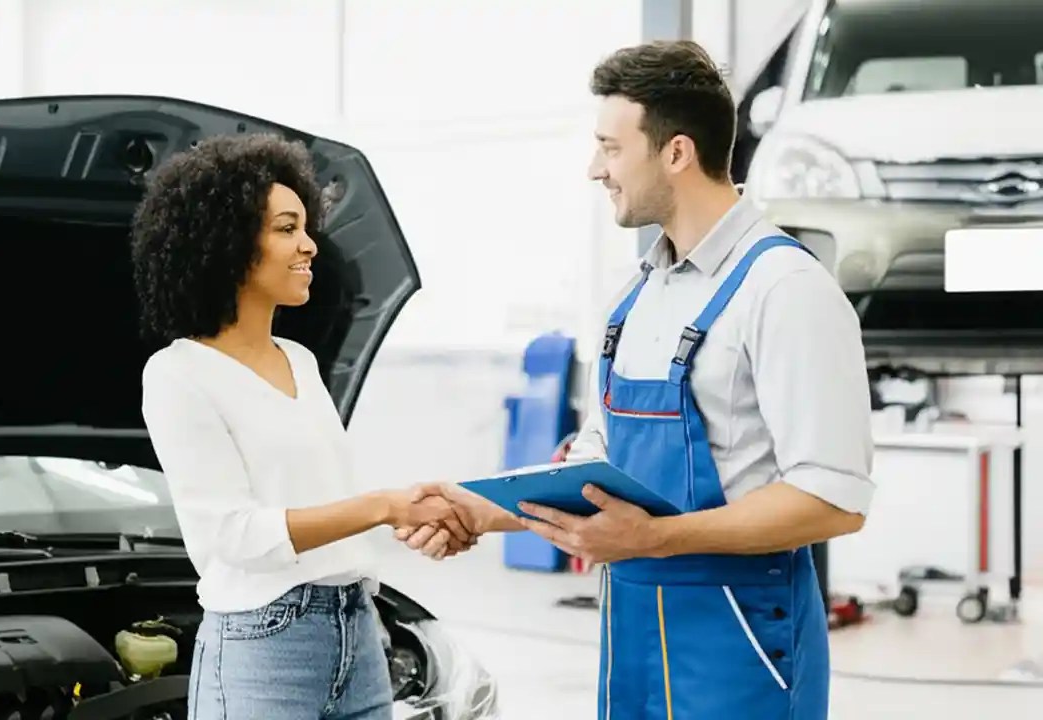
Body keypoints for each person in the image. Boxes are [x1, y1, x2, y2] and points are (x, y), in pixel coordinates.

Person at [402, 40, 874, 719]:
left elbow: (833, 499)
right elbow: (598, 470)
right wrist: (479, 509)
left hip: (742, 643)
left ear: (676, 153)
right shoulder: (636, 298)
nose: (596, 169)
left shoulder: (786, 289)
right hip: (632, 634)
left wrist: (656, 540)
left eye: (610, 148)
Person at [132, 133, 475, 719]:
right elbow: (233, 535)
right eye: (287, 228)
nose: (310, 244)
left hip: (358, 630)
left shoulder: (300, 360)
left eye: (306, 226)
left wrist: (416, 515)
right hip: (263, 646)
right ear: (227, 241)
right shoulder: (178, 374)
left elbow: (323, 507)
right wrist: (384, 507)